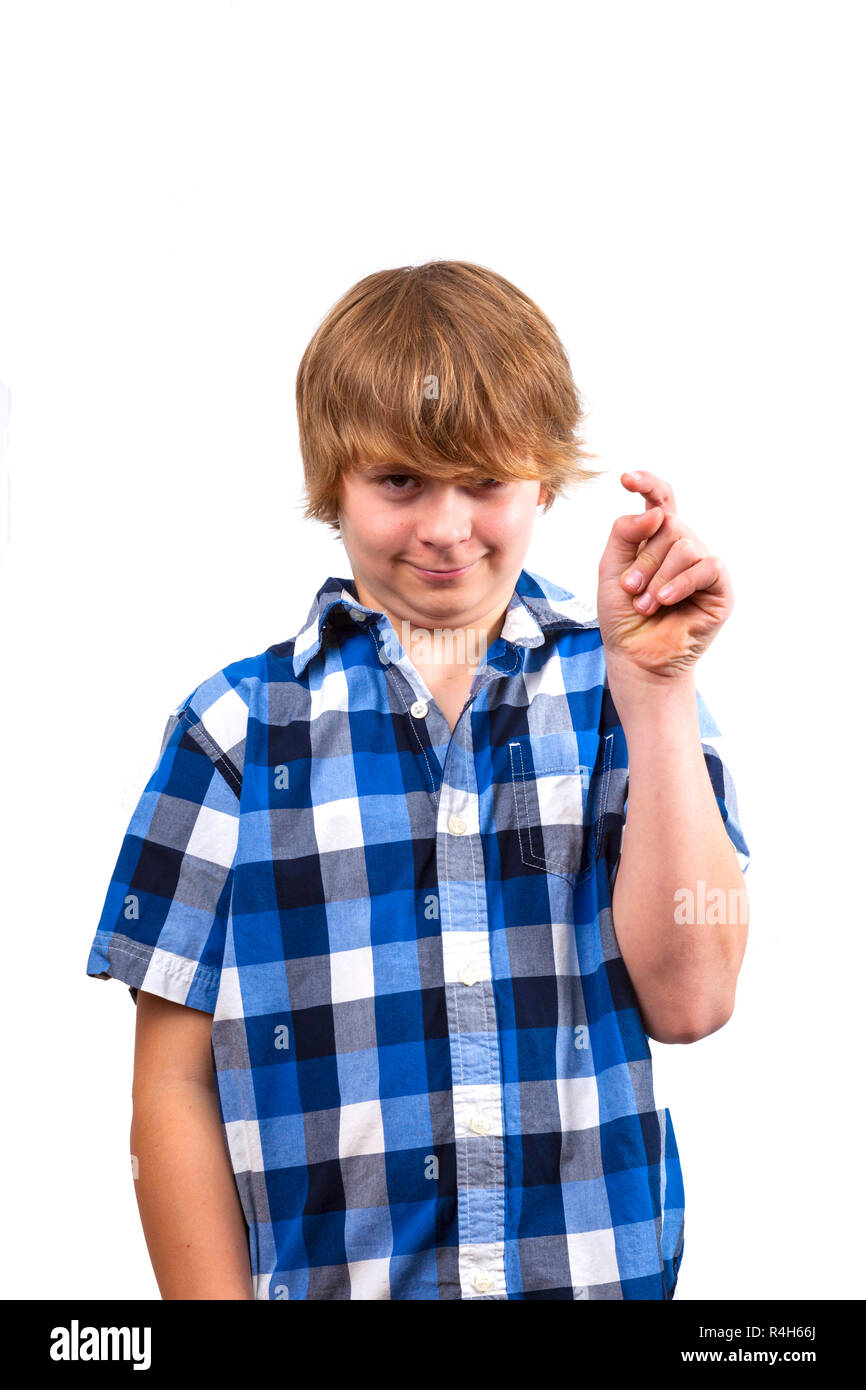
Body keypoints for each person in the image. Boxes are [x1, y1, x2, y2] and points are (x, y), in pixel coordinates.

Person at [86, 260, 750, 1300]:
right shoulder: (233, 731)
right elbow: (172, 1084)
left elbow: (693, 999)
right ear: (332, 481)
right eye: (399, 482)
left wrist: (655, 689)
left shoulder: (624, 698)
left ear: (542, 479)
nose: (445, 529)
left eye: (484, 481)